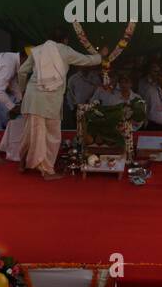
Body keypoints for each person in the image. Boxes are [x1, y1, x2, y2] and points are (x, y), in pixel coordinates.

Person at [16, 36, 102, 180]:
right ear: (65, 40)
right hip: (50, 101)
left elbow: (21, 72)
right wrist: (101, 56)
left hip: (32, 98)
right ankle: (47, 170)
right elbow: (87, 60)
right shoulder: (65, 50)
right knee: (51, 135)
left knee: (30, 133)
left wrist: (24, 90)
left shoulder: (37, 50)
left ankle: (23, 163)